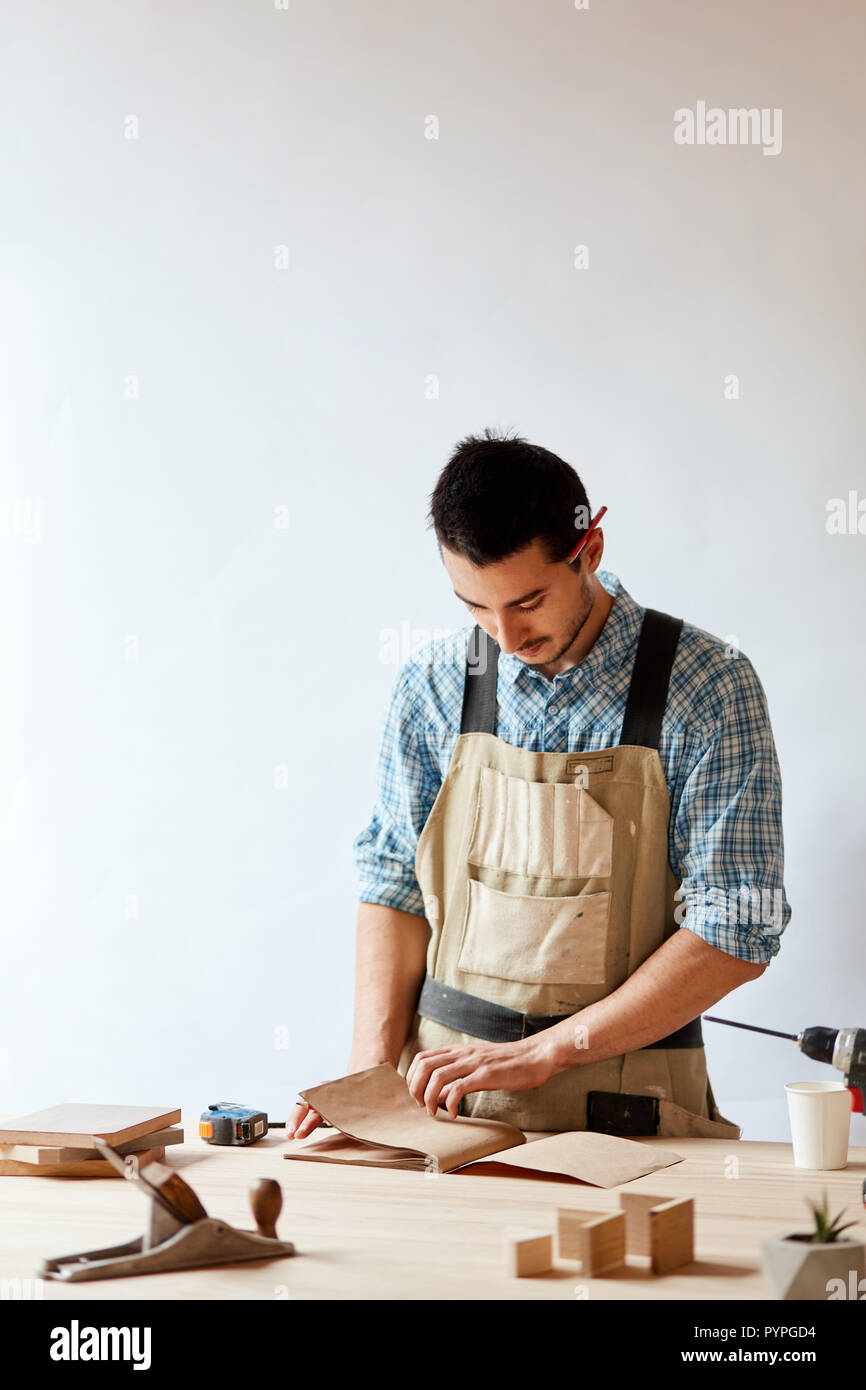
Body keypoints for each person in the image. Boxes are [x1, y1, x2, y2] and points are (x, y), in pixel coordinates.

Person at [288, 429, 790, 1140]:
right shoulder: (431, 686)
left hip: (631, 1115)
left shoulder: (708, 686)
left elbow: (738, 924)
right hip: (438, 1112)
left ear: (590, 550)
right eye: (474, 607)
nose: (505, 635)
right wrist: (369, 1074)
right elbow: (394, 882)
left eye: (527, 601)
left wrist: (549, 1051)